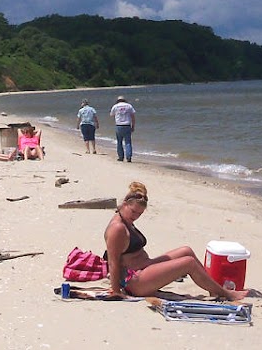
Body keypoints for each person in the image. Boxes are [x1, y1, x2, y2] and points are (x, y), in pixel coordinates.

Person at [103, 181, 253, 301]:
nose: (135, 216)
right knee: (188, 262)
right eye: (133, 211)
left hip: (145, 268)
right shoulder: (117, 228)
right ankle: (226, 294)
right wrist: (116, 291)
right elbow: (113, 261)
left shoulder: (126, 221)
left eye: (140, 214)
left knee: (186, 250)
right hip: (134, 281)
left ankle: (213, 288)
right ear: (124, 204)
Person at [109, 96, 136, 162]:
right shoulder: (129, 106)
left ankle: (121, 157)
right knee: (128, 142)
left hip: (119, 125)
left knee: (119, 142)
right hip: (127, 125)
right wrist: (133, 126)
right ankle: (128, 157)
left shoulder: (115, 106)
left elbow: (111, 115)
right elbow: (133, 117)